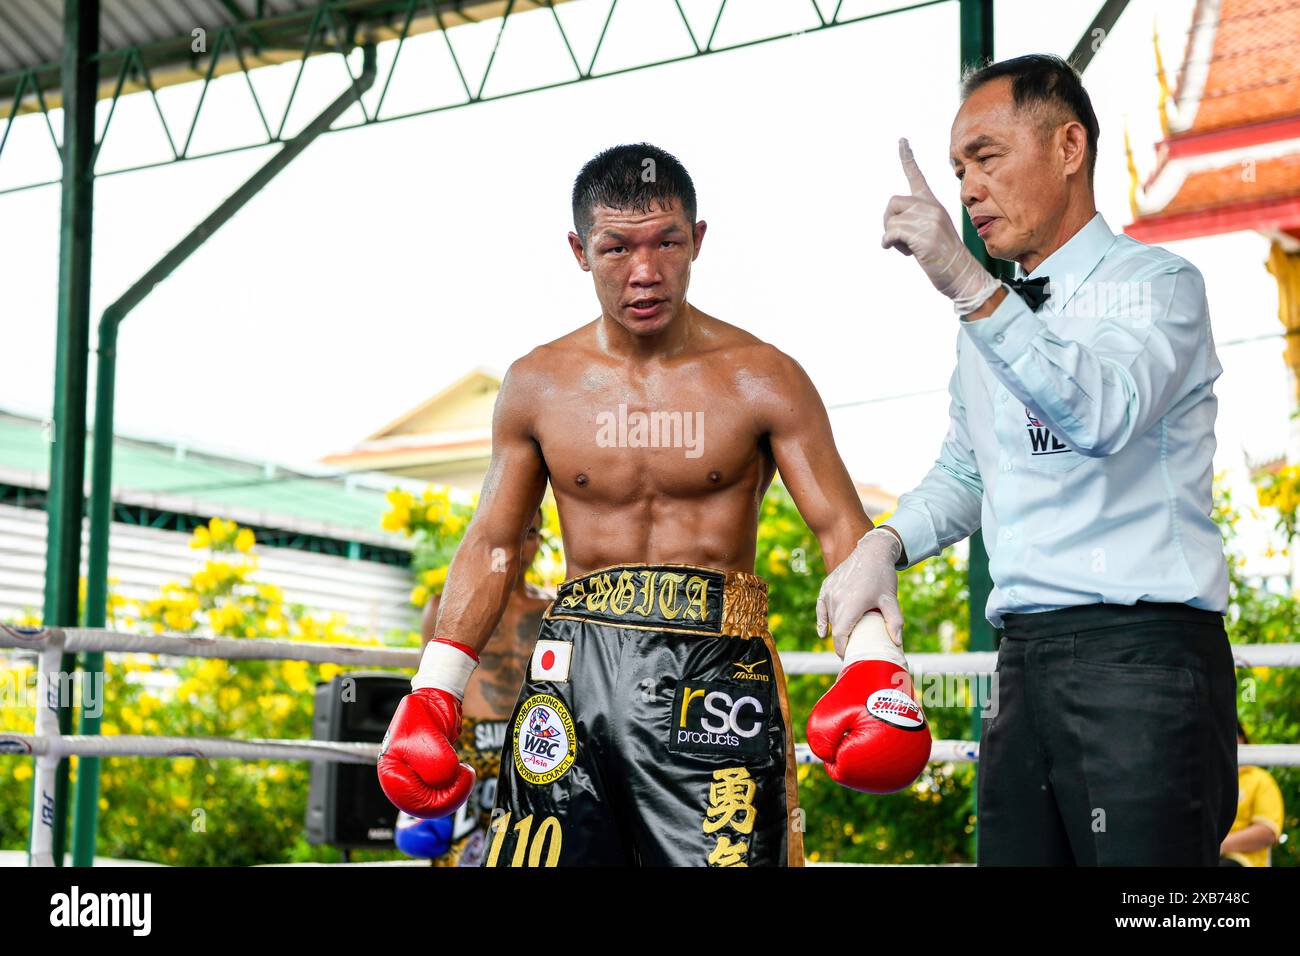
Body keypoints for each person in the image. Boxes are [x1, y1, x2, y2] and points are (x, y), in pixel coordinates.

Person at [376, 142, 931, 867]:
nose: (645, 271)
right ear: (580, 250)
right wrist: (434, 688)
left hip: (713, 680)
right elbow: (494, 543)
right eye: (616, 248)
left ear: (697, 240)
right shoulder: (537, 384)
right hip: (572, 677)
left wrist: (874, 661)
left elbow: (840, 532)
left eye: (667, 241)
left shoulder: (763, 378)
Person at [818, 53, 1238, 865]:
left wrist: (969, 285)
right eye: (956, 169)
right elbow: (967, 473)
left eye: (986, 157)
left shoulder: (1159, 286)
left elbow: (1102, 413)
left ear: (1069, 147)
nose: (967, 189)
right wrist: (885, 544)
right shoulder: (986, 321)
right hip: (1023, 663)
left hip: (1141, 660)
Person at [393, 509, 551, 867]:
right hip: (467, 744)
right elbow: (427, 687)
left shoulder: (552, 610)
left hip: (529, 743)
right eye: (516, 529)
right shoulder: (446, 607)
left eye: (532, 533)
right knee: (459, 856)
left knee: (527, 852)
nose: (522, 543)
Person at [1219, 721, 1284, 867]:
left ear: (1241, 739)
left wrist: (1218, 846)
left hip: (1242, 861)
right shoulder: (1204, 779)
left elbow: (1268, 832)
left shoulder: (1260, 780)